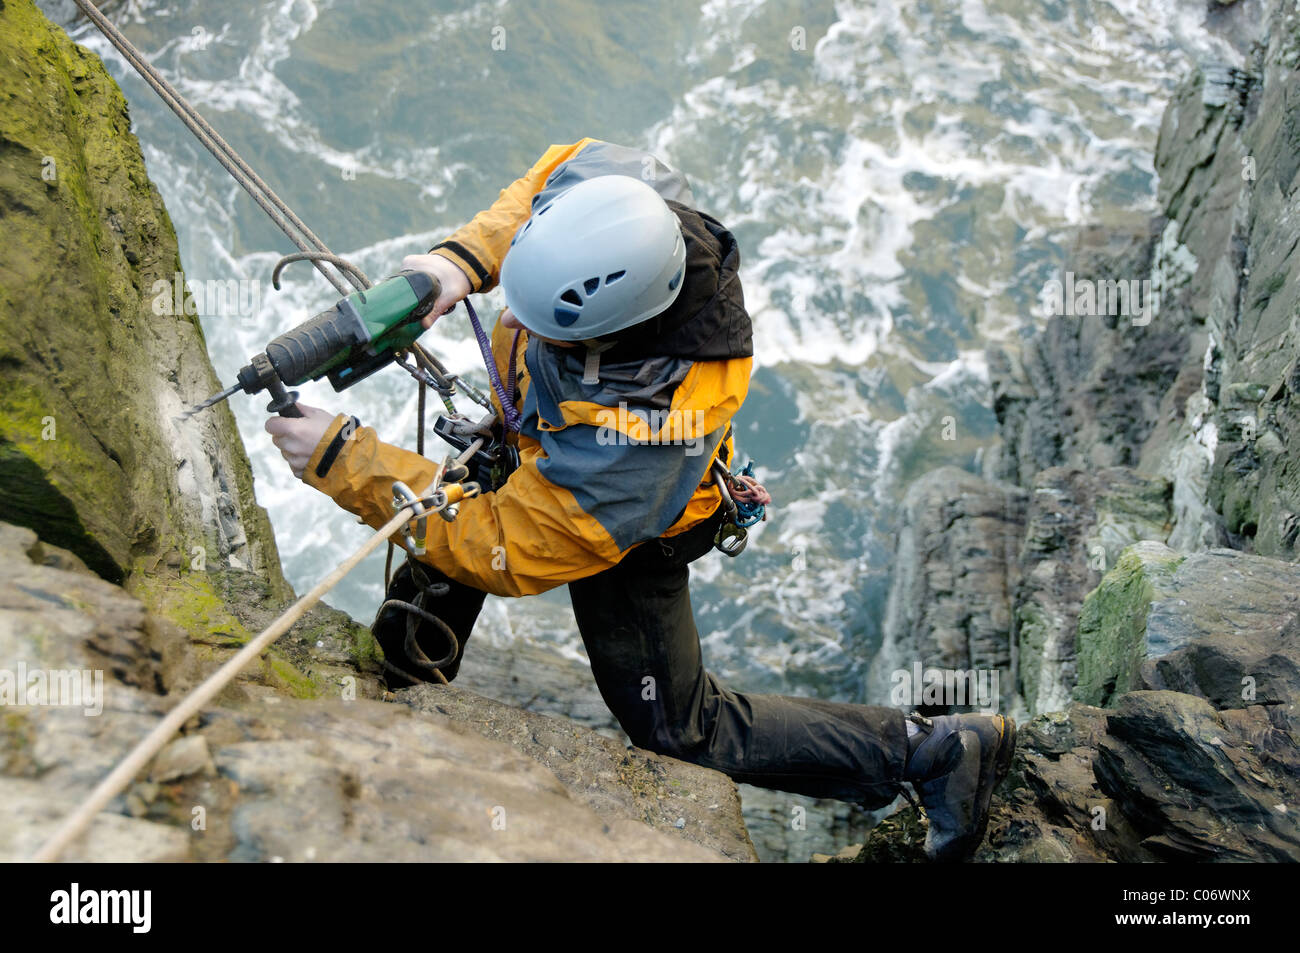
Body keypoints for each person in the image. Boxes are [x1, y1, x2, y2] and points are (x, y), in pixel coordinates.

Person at [265, 138, 1016, 862]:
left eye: (542, 317)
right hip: (546, 440)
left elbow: (504, 545)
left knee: (680, 727)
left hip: (628, 527)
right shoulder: (627, 207)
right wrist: (459, 262)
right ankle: (401, 680)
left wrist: (345, 459)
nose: (514, 319)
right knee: (472, 500)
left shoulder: (638, 441)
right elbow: (555, 175)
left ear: (609, 334)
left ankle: (931, 752)